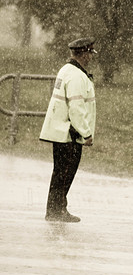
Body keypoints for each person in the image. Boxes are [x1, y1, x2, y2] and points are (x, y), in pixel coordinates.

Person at [40, 37, 97, 222]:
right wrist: (86, 133)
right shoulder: (76, 76)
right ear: (84, 54)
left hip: (61, 130)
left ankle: (56, 208)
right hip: (70, 133)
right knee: (65, 173)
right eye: (90, 53)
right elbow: (76, 108)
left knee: (60, 172)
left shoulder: (67, 70)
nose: (91, 57)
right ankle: (57, 211)